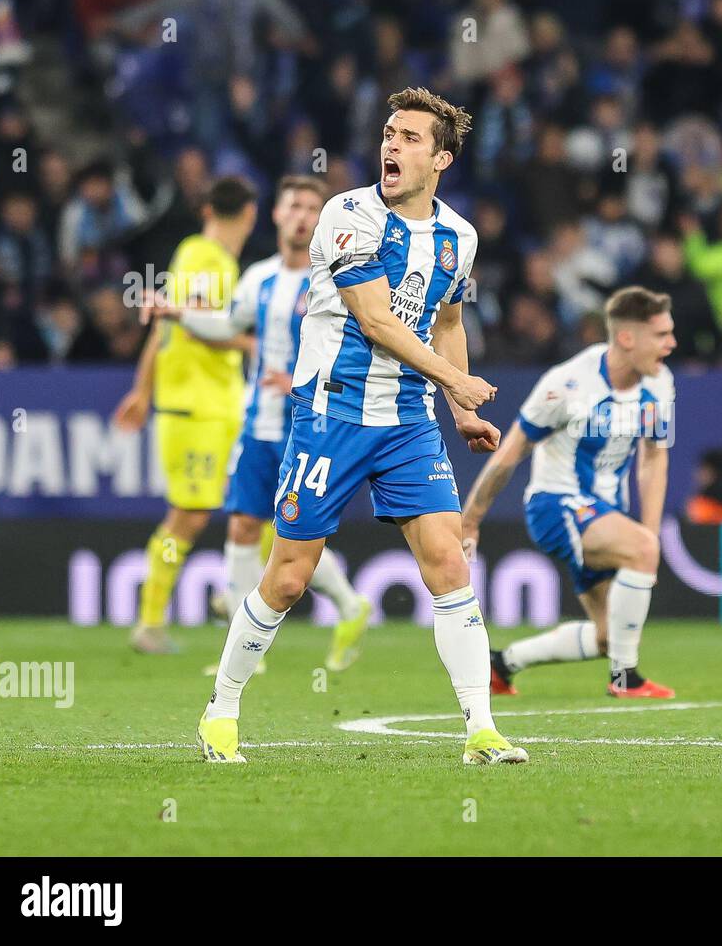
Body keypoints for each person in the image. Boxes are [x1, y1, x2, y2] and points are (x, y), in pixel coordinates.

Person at [196, 87, 527, 766]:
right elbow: (374, 319)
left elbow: (449, 319)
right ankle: (222, 708)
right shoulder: (347, 214)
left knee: (448, 565)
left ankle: (481, 730)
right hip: (332, 413)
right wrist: (455, 381)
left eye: (409, 138)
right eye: (388, 133)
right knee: (289, 577)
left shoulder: (458, 237)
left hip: (408, 422)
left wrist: (460, 411)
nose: (391, 146)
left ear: (441, 158)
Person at [151, 176, 370, 671]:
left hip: (307, 426)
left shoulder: (335, 282)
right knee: (244, 526)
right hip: (257, 426)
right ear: (275, 214)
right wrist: (179, 313)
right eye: (293, 205)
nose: (301, 216)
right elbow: (227, 325)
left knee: (296, 533)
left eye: (312, 208)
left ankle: (351, 605)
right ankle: (246, 651)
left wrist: (300, 378)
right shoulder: (258, 278)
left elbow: (355, 351)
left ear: (322, 220)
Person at [461, 286, 677, 699]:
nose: (672, 344)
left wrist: (648, 533)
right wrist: (471, 519)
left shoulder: (660, 383)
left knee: (607, 637)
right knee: (641, 556)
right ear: (628, 338)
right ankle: (626, 678)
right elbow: (510, 453)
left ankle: (500, 665)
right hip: (556, 505)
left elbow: (653, 458)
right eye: (662, 335)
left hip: (606, 510)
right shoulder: (567, 384)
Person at [114, 176, 258, 654]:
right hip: (196, 405)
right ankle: (151, 620)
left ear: (206, 210)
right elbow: (193, 324)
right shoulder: (208, 258)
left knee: (259, 500)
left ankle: (237, 594)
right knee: (190, 517)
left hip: (214, 403)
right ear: (251, 215)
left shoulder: (193, 253)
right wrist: (255, 342)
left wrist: (140, 387)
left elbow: (166, 321)